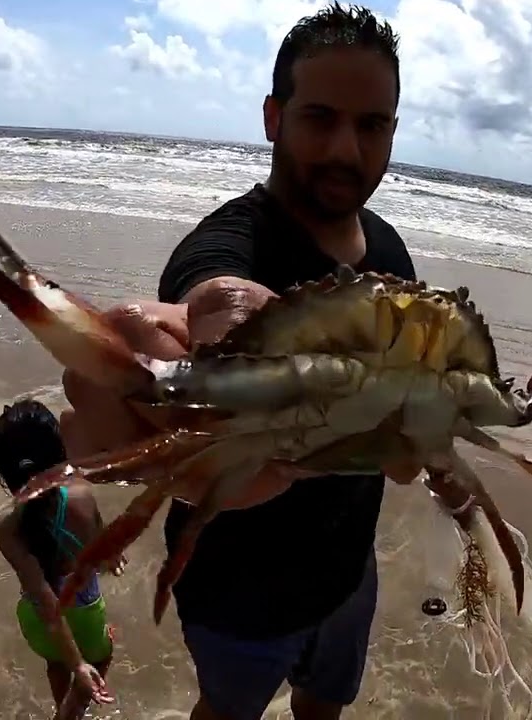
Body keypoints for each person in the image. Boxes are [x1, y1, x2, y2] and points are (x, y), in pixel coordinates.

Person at [60, 5, 476, 719]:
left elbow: (411, 405)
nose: (347, 149)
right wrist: (209, 327)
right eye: (320, 118)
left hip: (348, 574)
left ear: (393, 133)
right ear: (273, 117)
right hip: (238, 596)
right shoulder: (226, 245)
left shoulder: (389, 252)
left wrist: (437, 458)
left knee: (324, 706)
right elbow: (202, 309)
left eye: (371, 125)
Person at [0, 396, 120, 720]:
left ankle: (63, 698)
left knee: (57, 661)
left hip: (38, 625)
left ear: (6, 473)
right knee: (102, 656)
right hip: (85, 616)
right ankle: (68, 714)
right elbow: (101, 544)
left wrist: (73, 662)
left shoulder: (7, 531)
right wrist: (111, 558)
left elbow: (45, 604)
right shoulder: (80, 497)